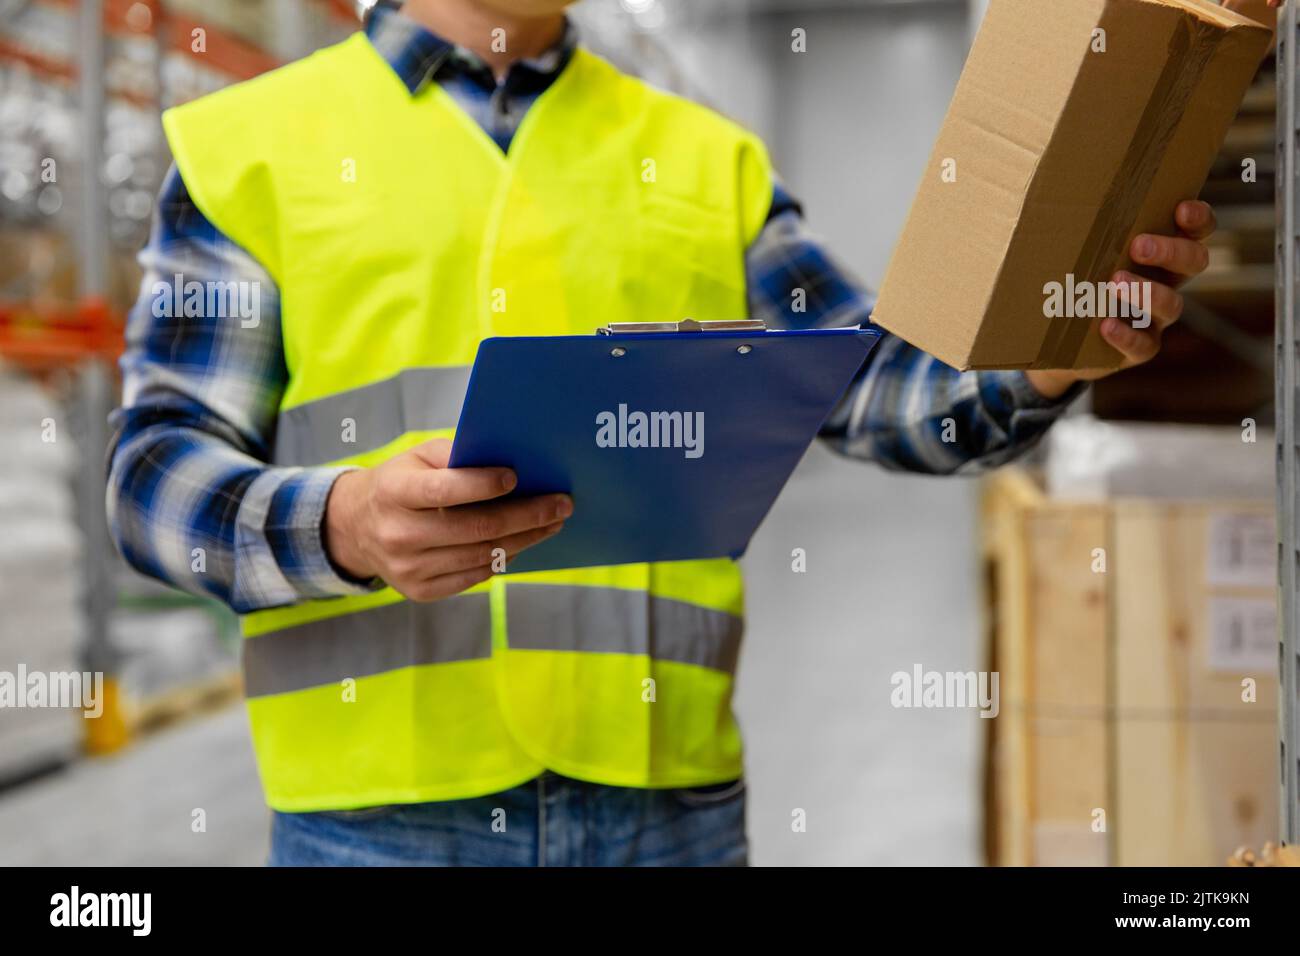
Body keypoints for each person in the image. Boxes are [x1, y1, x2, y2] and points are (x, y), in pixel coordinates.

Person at [107, 0, 1228, 866]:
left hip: (670, 805)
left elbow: (879, 389)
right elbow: (154, 477)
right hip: (378, 821)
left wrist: (1051, 343)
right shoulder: (246, 149)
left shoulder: (705, 158)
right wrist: (340, 522)